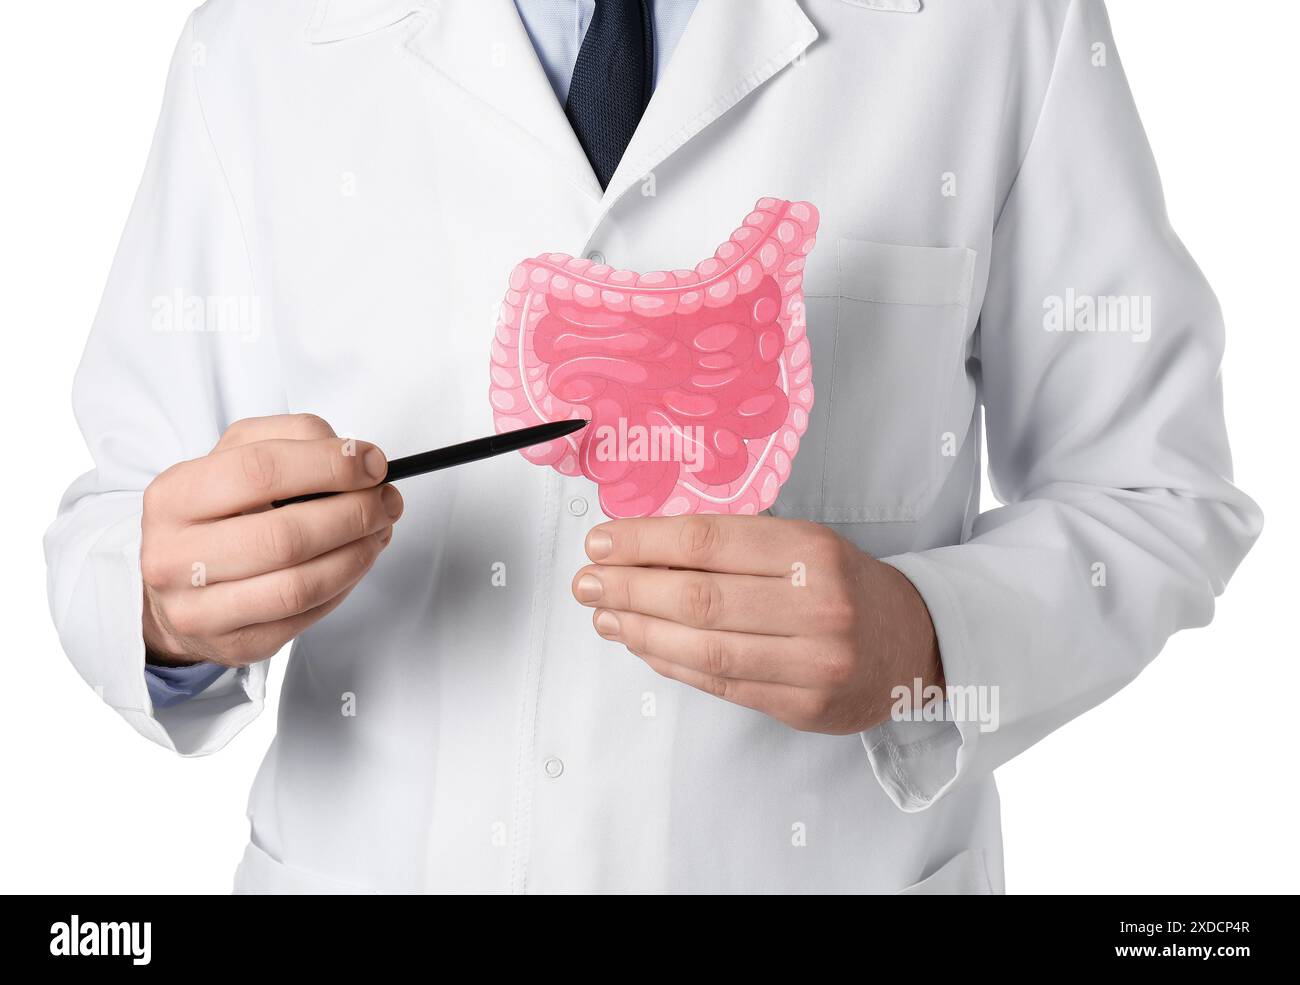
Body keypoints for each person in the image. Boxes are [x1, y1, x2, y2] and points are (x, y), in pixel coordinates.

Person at [45, 0, 1261, 893]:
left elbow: (1156, 488)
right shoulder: (258, 44)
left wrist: (925, 643)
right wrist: (164, 598)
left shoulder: (998, 26)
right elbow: (113, 520)